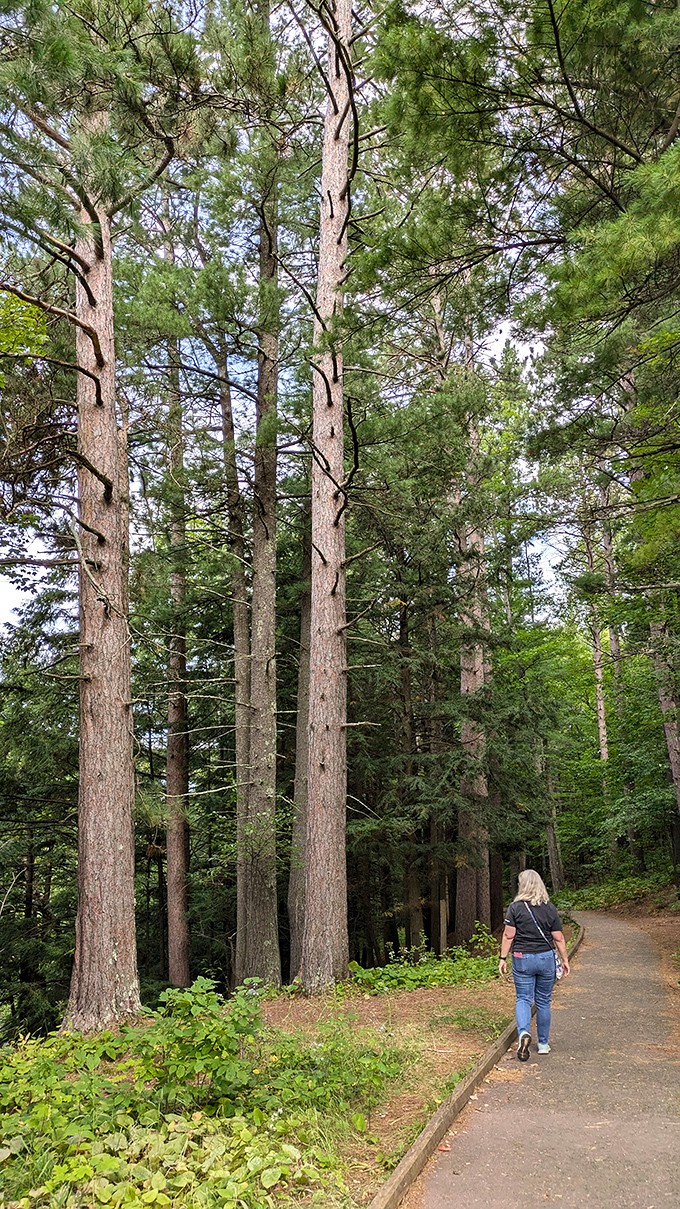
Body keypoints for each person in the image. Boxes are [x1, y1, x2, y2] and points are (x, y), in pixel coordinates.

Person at [498, 869, 570, 1060]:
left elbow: (508, 935)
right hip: (546, 958)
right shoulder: (549, 908)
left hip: (522, 957)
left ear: (523, 885)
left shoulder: (515, 908)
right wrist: (564, 959)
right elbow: (559, 938)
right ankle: (544, 1044)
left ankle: (523, 1033)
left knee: (523, 998)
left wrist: (503, 958)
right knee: (544, 1000)